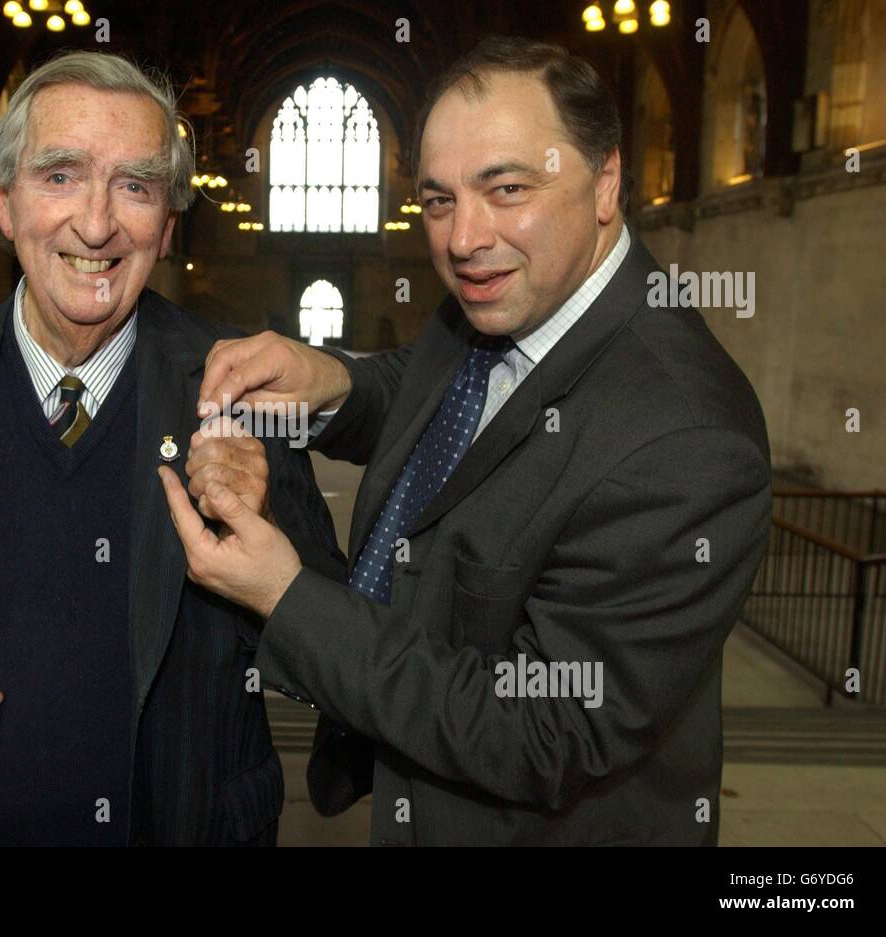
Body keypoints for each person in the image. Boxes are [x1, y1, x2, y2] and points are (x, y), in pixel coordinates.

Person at [160, 37, 771, 845]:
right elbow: (434, 400)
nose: (462, 238)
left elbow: (545, 730)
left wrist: (286, 595)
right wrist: (332, 381)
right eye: (439, 200)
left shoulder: (684, 440)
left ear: (606, 183)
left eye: (507, 188)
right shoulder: (510, 294)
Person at [0, 51, 343, 846]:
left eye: (135, 185)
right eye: (60, 175)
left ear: (166, 224)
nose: (96, 224)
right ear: (2, 202)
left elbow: (329, 660)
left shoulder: (242, 395)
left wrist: (264, 535)